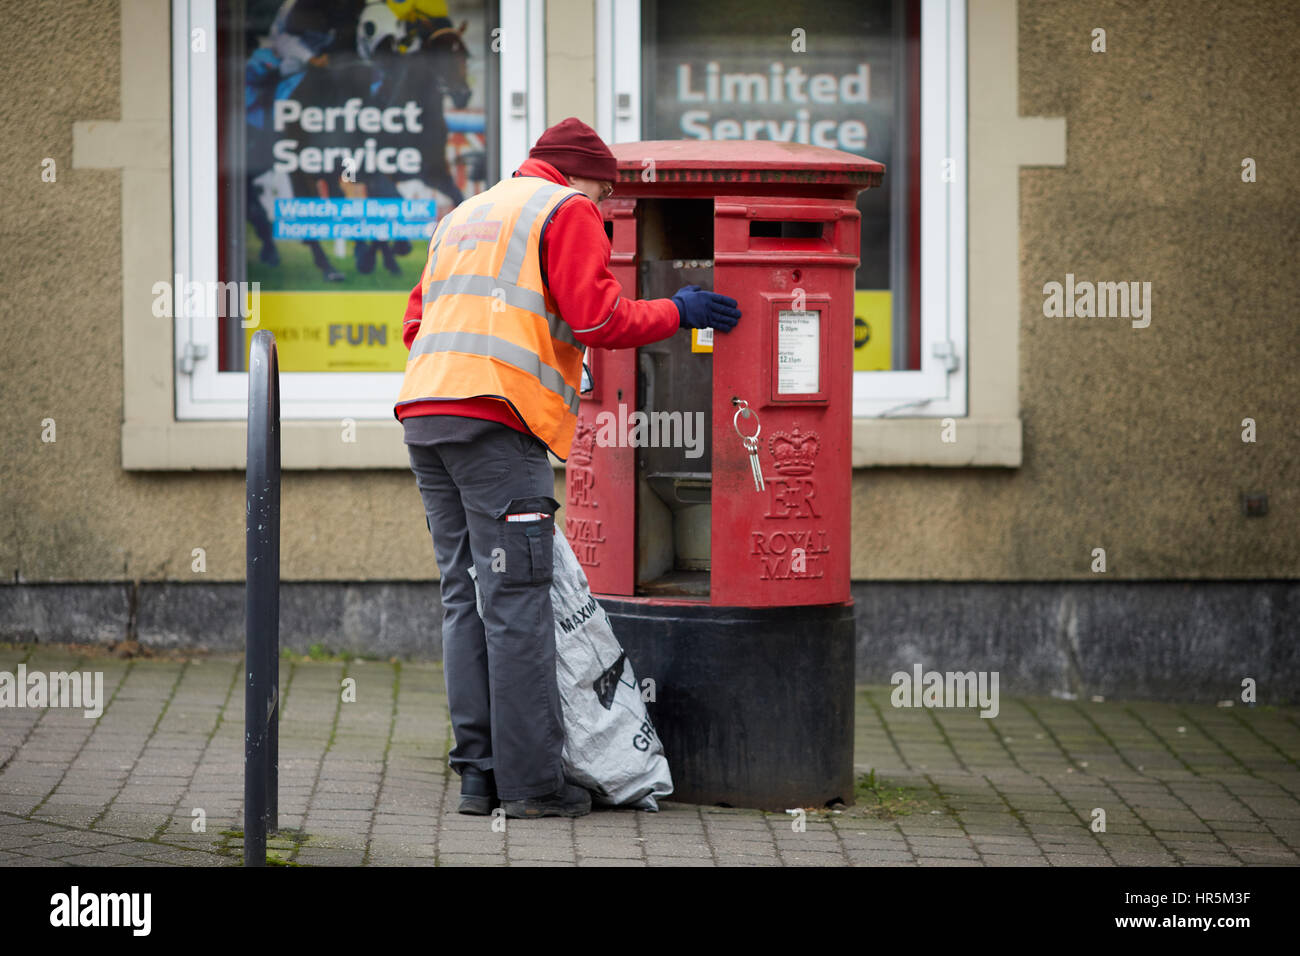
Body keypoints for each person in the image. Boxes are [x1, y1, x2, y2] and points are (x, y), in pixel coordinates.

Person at [396, 117, 741, 818]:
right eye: (607, 194)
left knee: (467, 594)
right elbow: (598, 319)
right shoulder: (566, 207)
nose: (608, 210)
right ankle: (532, 787)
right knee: (517, 602)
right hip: (498, 422)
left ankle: (477, 775)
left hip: (425, 412)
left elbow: (415, 324)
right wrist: (679, 309)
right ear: (585, 176)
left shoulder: (464, 215)